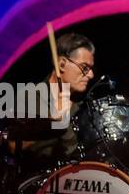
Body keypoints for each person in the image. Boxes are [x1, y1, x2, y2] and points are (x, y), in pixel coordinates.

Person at [26, 32, 97, 165]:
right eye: (84, 68)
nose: (91, 75)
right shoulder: (31, 95)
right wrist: (54, 123)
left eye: (91, 69)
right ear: (62, 65)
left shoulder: (82, 107)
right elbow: (14, 146)